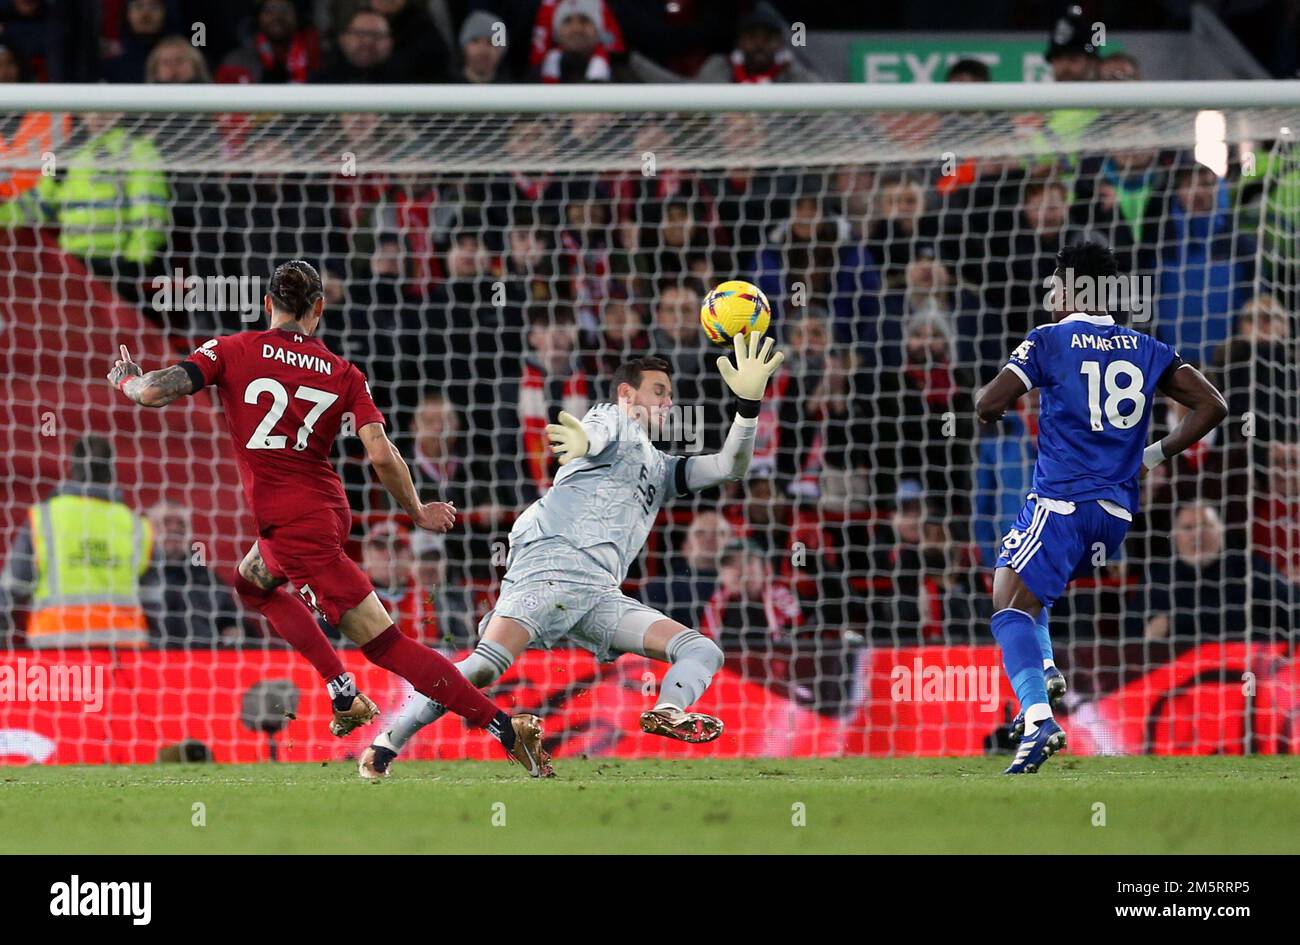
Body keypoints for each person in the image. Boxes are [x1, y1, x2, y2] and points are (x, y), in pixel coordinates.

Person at [107, 259, 551, 777]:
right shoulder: (344, 373)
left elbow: (156, 392)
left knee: (385, 643)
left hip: (296, 526)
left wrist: (128, 381)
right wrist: (417, 510)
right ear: (318, 309)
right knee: (251, 582)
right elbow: (381, 452)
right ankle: (344, 696)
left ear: (268, 304)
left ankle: (502, 726)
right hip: (320, 509)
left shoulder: (230, 350)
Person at [362, 340, 784, 779]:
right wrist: (582, 439)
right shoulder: (613, 418)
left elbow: (728, 468)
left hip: (599, 592)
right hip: (551, 567)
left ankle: (669, 711)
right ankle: (386, 742)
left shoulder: (658, 466)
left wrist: (748, 406)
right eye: (658, 390)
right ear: (627, 393)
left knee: (701, 650)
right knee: (484, 666)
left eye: (670, 393)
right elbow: (597, 431)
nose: (667, 401)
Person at [975, 239, 1227, 774]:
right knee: (1011, 573)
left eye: (1057, 279)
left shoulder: (1048, 340)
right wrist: (1152, 456)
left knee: (1008, 607)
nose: (1049, 289)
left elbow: (987, 402)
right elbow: (1213, 405)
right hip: (1114, 515)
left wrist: (995, 411)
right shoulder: (1146, 347)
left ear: (1077, 289)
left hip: (1064, 499)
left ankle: (1040, 720)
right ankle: (1043, 671)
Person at [0, 435, 153, 648]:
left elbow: (14, 584)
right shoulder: (135, 524)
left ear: (73, 469)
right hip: (122, 643)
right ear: (111, 470)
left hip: (56, 641)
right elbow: (153, 593)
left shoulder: (45, 517)